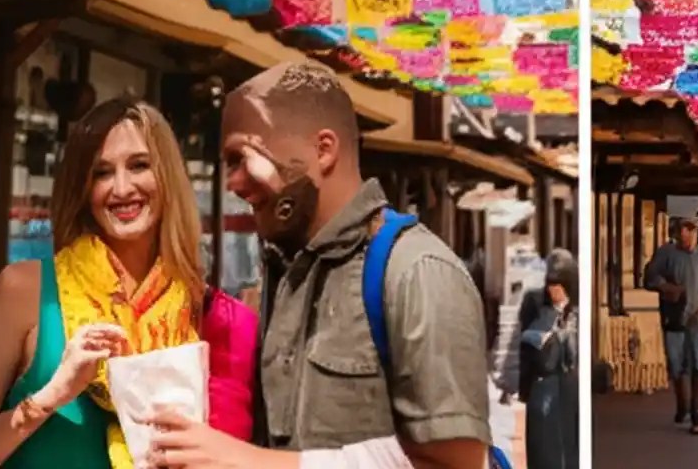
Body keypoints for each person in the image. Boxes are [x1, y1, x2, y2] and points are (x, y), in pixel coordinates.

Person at [149, 62, 491, 468]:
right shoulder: (283, 271)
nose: (233, 183)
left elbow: (458, 462)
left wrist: (253, 462)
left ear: (323, 150)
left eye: (242, 157)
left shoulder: (418, 271)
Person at [0, 98, 257, 469]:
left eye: (139, 165)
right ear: (82, 190)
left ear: (168, 176)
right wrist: (49, 397)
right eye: (101, 172)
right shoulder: (23, 291)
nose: (121, 188)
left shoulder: (205, 312)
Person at [643, 219, 698, 436]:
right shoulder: (666, 253)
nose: (686, 235)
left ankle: (697, 412)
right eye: (682, 231)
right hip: (675, 318)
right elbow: (649, 278)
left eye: (691, 231)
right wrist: (667, 288)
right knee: (677, 365)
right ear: (677, 233)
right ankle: (682, 405)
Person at [518, 249, 578, 469]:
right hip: (544, 385)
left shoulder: (577, 310)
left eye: (559, 284)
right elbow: (524, 350)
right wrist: (524, 387)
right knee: (544, 451)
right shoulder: (534, 304)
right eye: (550, 284)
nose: (554, 289)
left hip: (571, 387)